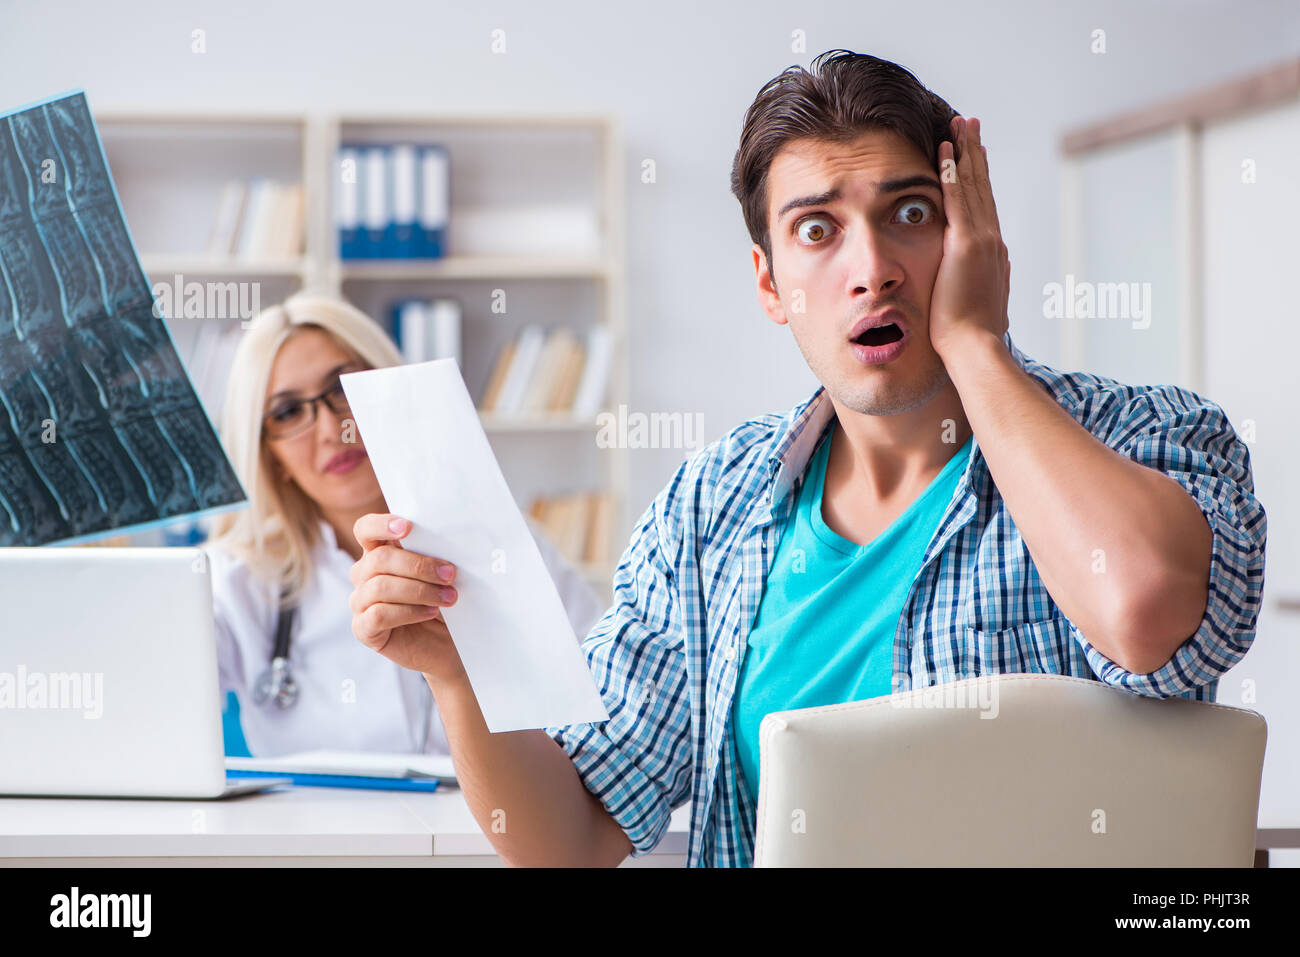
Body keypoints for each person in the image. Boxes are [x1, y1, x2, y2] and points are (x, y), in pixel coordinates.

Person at [347, 50, 1267, 866]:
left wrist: (978, 347)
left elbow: (1147, 613)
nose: (872, 267)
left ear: (971, 235)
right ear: (771, 284)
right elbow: (571, 837)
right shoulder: (709, 506)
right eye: (818, 230)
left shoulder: (1154, 438)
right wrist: (456, 674)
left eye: (910, 212)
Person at [203, 293, 605, 757]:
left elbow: (603, 702)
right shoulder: (234, 584)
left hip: (479, 829)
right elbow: (154, 713)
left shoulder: (506, 547)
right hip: (320, 830)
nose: (334, 429)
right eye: (288, 412)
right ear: (270, 457)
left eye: (342, 387)